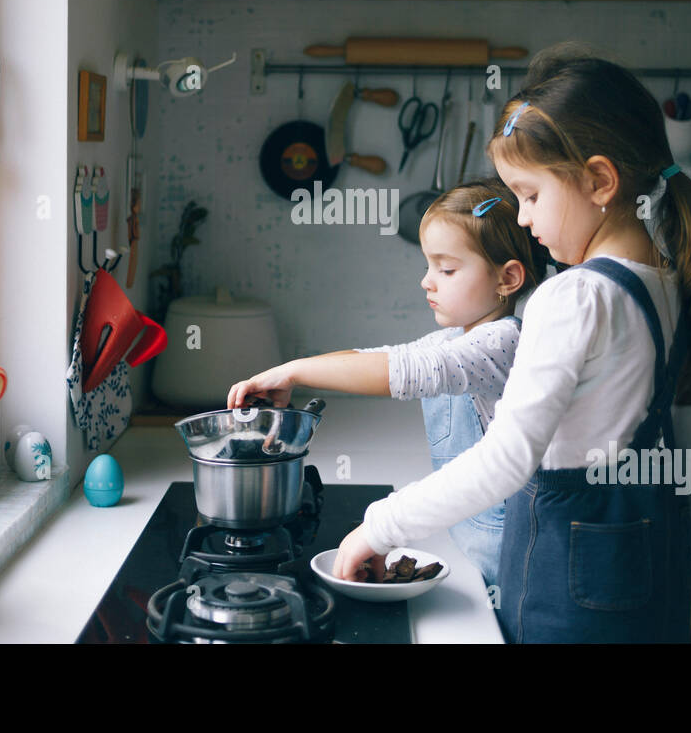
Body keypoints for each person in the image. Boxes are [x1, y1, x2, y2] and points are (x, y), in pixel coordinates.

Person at [331, 43, 691, 643]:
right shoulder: (672, 286)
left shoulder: (572, 298)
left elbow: (506, 460)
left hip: (569, 600)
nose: (520, 218)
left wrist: (376, 528)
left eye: (531, 195)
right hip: (656, 585)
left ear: (599, 181)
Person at [228, 177, 549, 584]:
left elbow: (399, 372)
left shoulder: (503, 342)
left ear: (508, 279)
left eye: (446, 269)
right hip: (470, 537)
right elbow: (377, 358)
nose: (426, 281)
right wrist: (293, 370)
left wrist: (292, 371)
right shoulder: (456, 337)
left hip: (508, 555)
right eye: (429, 265)